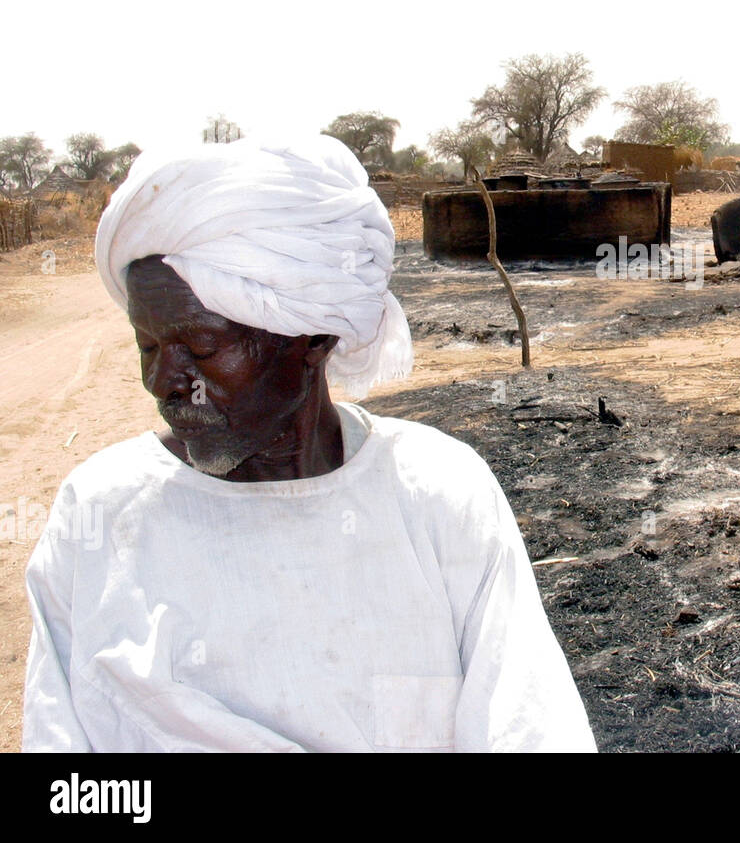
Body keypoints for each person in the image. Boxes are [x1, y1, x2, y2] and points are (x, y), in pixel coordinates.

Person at [22, 135, 596, 752]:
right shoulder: (102, 511)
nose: (166, 382)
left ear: (314, 338)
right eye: (147, 346)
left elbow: (530, 729)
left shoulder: (438, 496)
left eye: (204, 350)